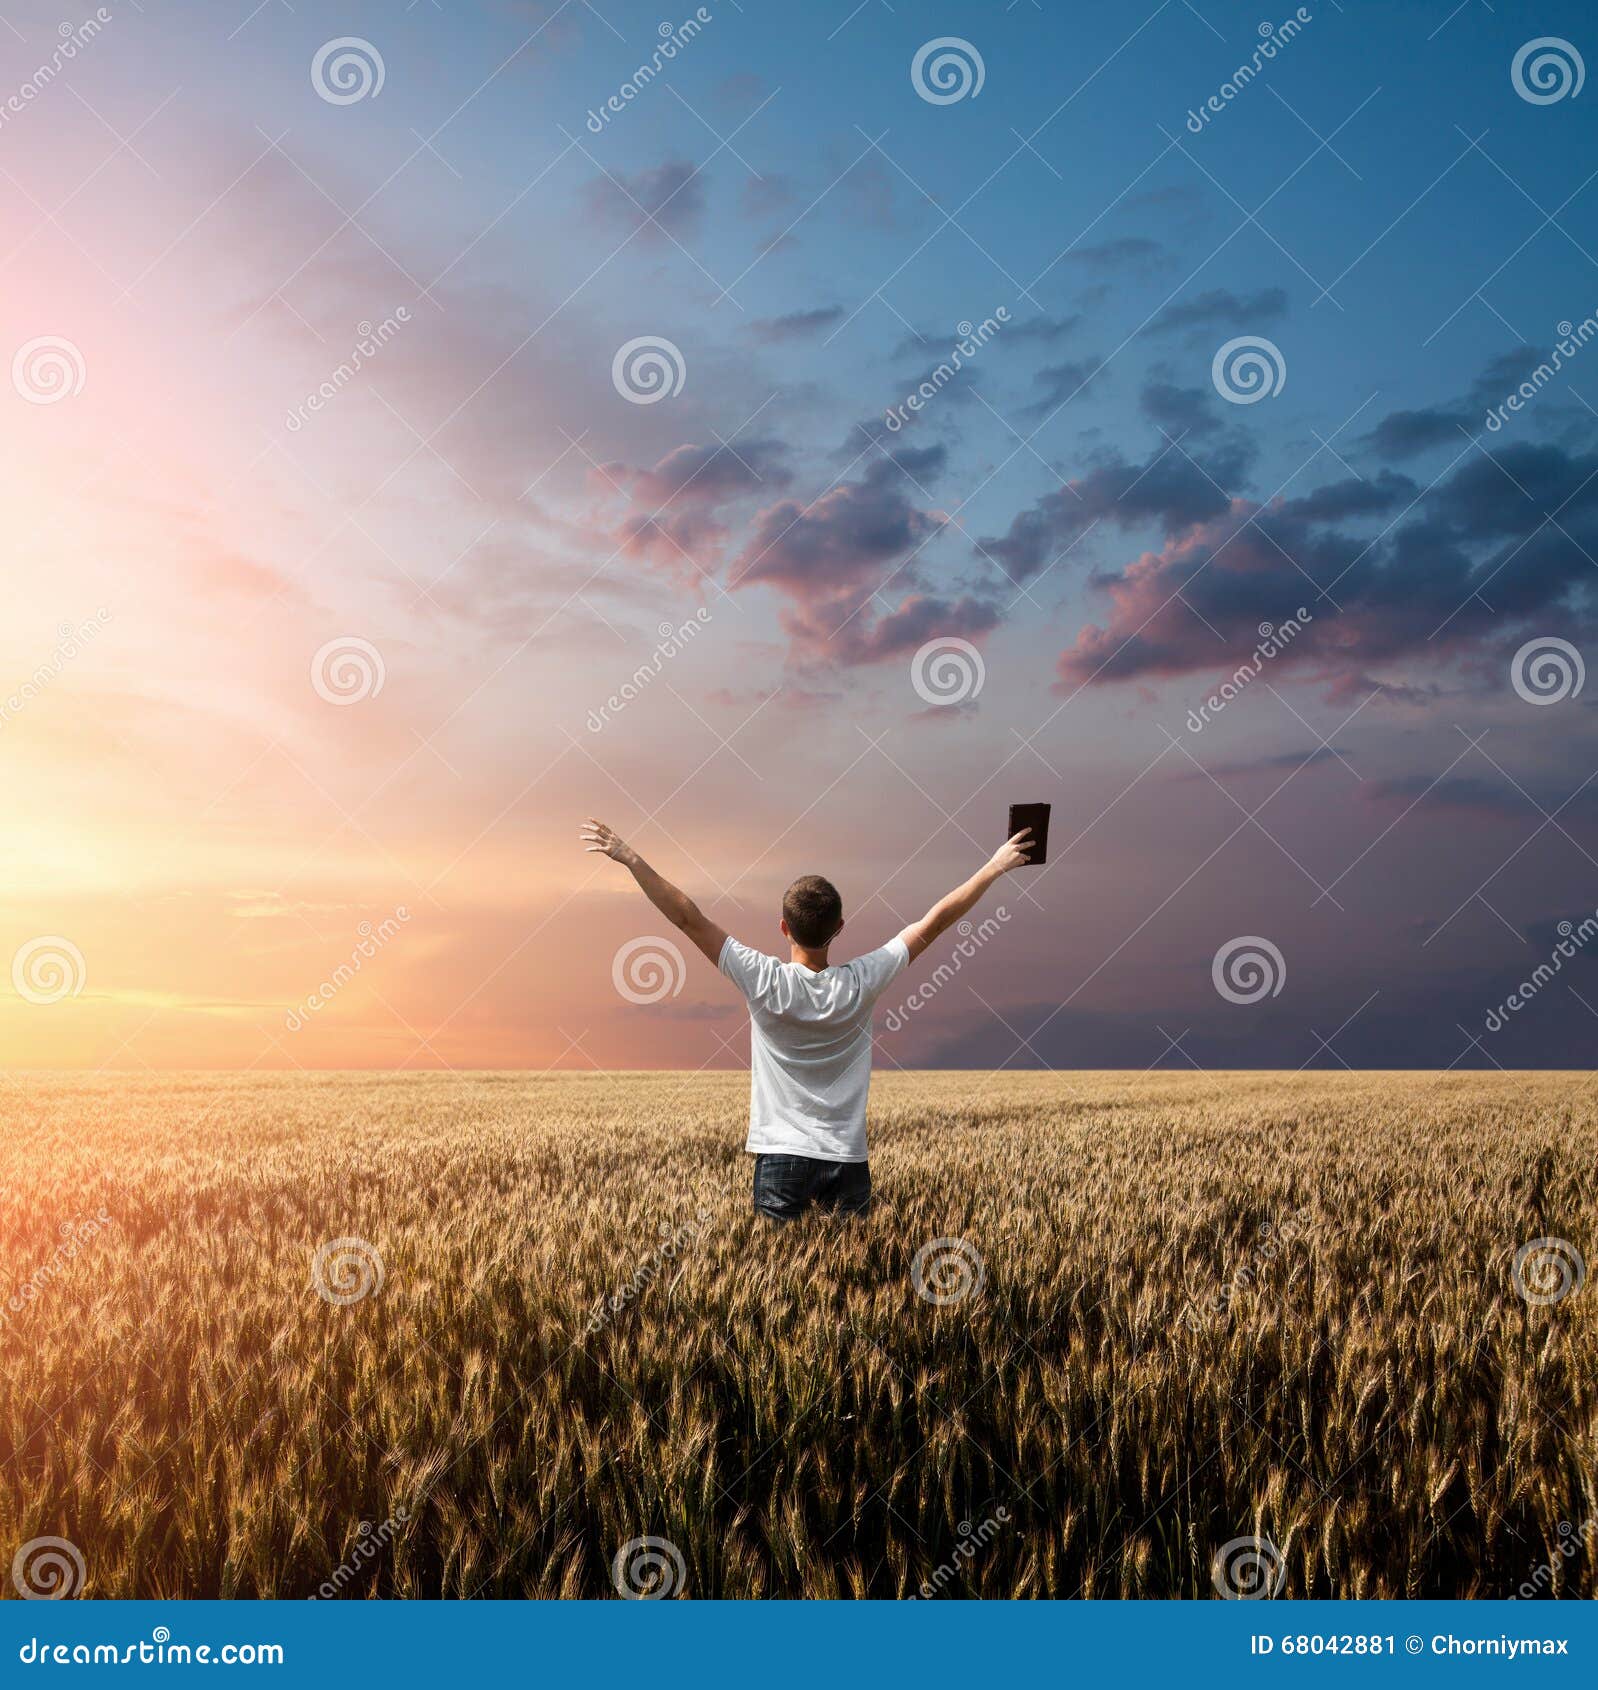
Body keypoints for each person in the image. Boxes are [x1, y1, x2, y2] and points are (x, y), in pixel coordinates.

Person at [579, 818, 1034, 1220]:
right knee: (848, 1288)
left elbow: (687, 918)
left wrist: (632, 859)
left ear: (783, 927)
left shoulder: (761, 978)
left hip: (780, 1159)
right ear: (839, 929)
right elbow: (934, 922)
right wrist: (994, 866)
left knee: (776, 1285)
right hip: (846, 1158)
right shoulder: (863, 980)